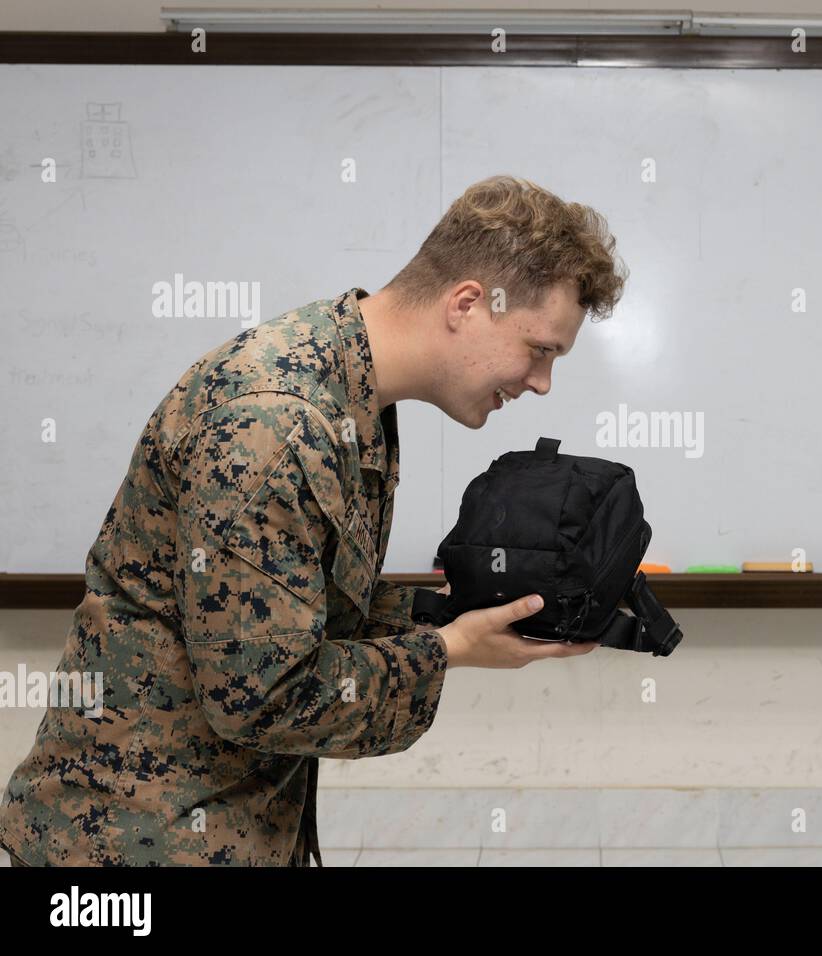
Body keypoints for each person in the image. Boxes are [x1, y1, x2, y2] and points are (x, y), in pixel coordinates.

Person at [0, 175, 626, 866]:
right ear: (468, 303)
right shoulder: (277, 421)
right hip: (129, 847)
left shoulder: (347, 393)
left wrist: (451, 612)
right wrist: (448, 648)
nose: (541, 382)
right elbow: (265, 694)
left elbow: (298, 608)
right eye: (540, 348)